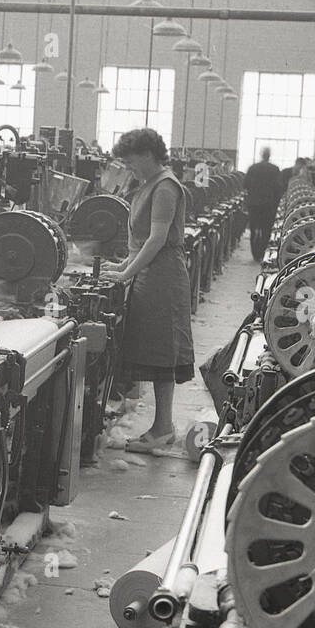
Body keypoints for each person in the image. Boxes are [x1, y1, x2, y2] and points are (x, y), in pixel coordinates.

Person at [109, 127, 194, 453]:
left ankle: (162, 429)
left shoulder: (165, 187)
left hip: (162, 278)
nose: (128, 168)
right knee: (157, 352)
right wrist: (122, 266)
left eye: (131, 161)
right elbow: (141, 241)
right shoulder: (149, 184)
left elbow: (157, 239)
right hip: (149, 275)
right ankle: (162, 427)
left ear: (147, 155)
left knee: (162, 354)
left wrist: (126, 273)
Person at [243, 145, 283, 261]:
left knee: (254, 228)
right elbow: (278, 188)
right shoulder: (274, 169)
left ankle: (255, 254)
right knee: (266, 229)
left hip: (254, 204)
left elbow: (245, 185)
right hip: (268, 204)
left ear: (261, 155)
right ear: (269, 156)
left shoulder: (253, 168)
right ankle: (262, 253)